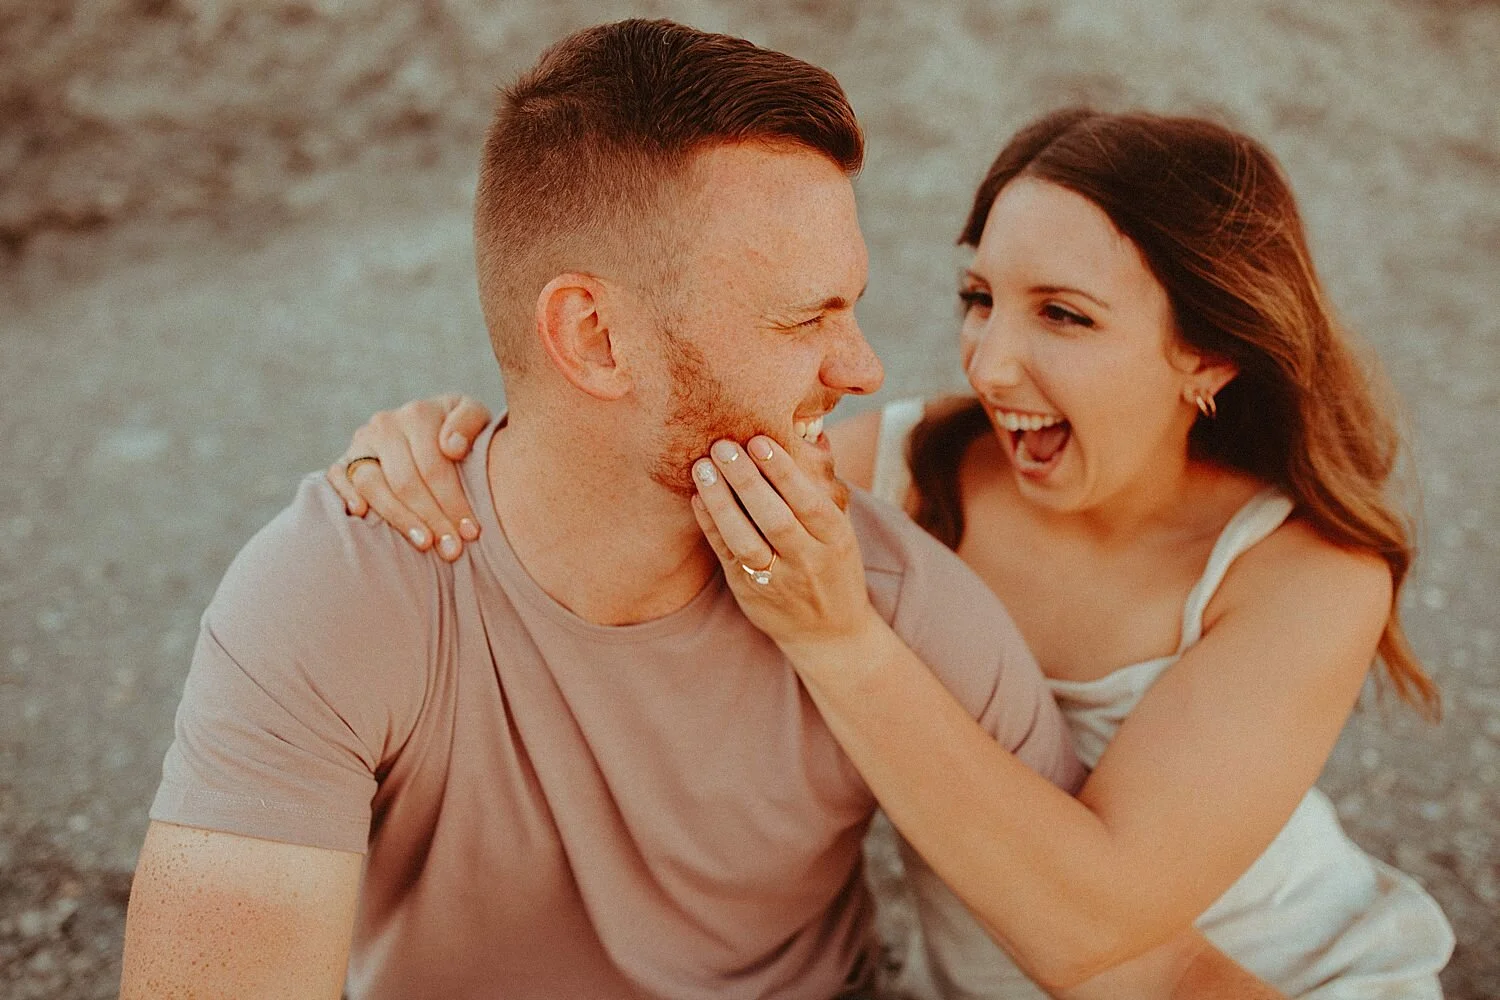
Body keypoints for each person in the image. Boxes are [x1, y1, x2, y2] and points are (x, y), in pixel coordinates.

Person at [120, 22, 1283, 1000]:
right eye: (803, 319)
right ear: (594, 337)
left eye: (852, 308)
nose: (865, 368)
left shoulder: (894, 604)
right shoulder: (342, 590)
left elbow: (1133, 961)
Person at [340, 108, 1456, 997]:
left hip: (1270, 976)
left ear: (1208, 354)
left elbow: (1099, 925)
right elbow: (635, 465)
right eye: (979, 299)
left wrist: (840, 637)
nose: (991, 364)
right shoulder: (905, 470)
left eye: (1064, 316)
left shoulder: (1307, 572)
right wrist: (442, 444)